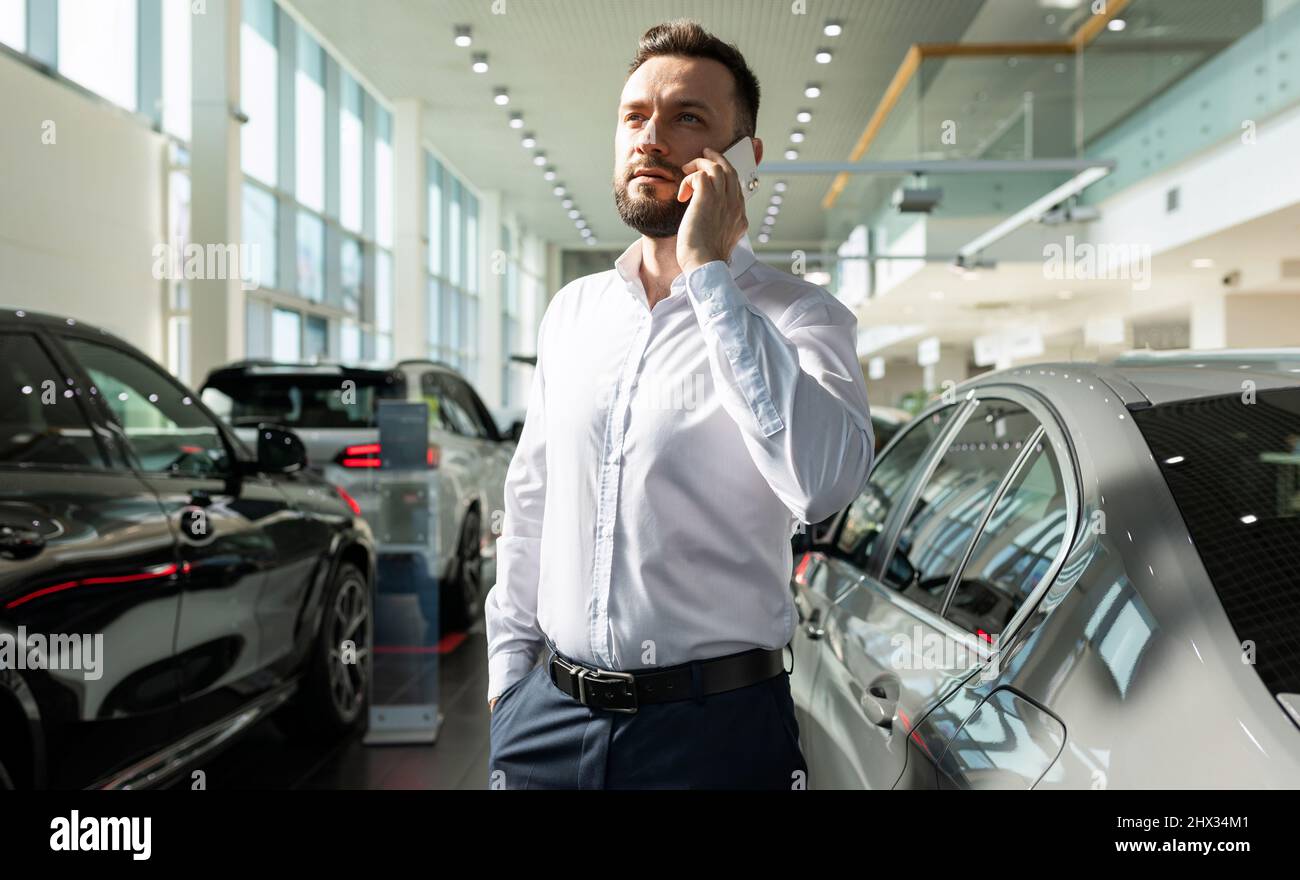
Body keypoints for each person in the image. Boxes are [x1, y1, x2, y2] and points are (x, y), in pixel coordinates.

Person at [484, 19, 874, 789]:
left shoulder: (801, 316)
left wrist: (708, 275)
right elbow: (530, 501)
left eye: (687, 117)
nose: (651, 137)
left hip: (715, 735)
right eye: (635, 117)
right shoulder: (574, 313)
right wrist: (505, 684)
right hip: (547, 724)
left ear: (743, 157)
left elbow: (820, 486)